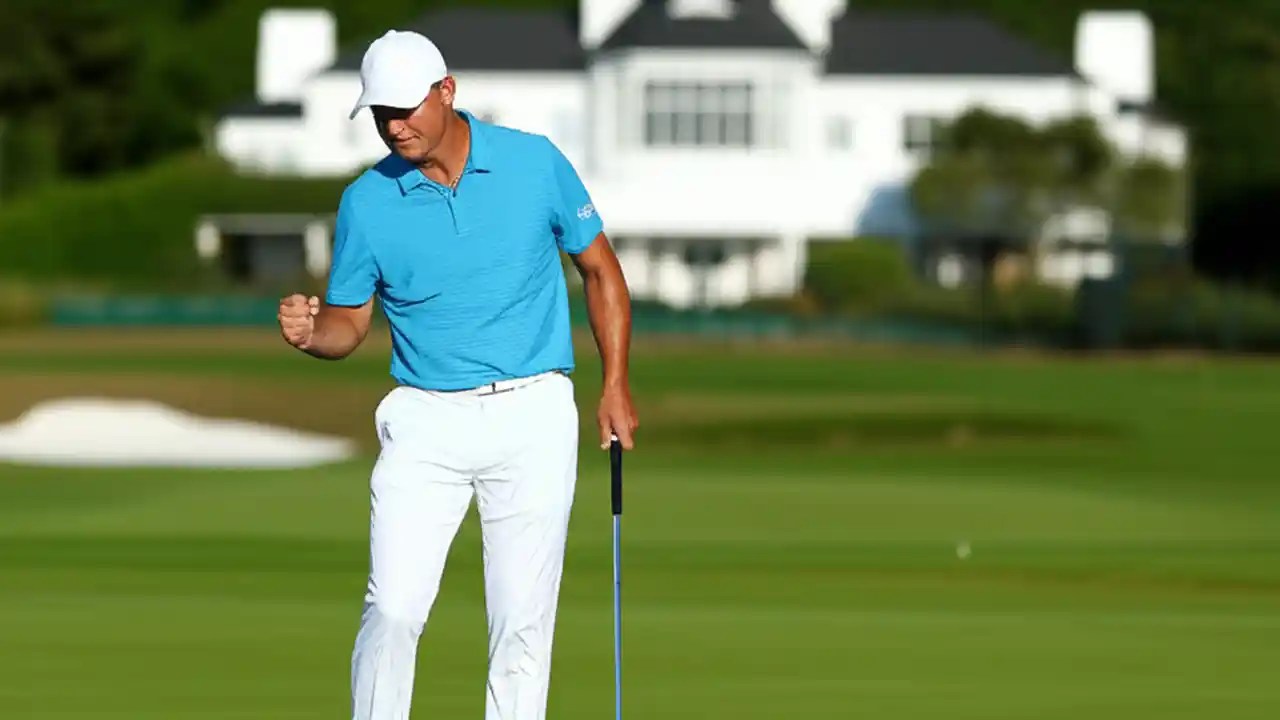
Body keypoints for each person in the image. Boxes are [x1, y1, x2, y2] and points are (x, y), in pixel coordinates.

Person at [275, 29, 638, 720]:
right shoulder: (366, 202)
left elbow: (602, 272)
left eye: (405, 108)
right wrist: (309, 331)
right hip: (424, 419)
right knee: (394, 607)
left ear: (447, 92)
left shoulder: (534, 164)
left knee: (522, 620)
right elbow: (348, 323)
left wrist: (614, 383)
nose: (394, 126)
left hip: (531, 412)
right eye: (380, 114)